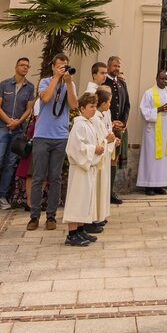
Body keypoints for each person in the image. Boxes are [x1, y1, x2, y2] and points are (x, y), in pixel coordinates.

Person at [28, 56, 76, 231]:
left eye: (65, 66)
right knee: (38, 177)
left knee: (55, 178)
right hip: (42, 135)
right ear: (53, 67)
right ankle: (34, 216)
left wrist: (69, 83)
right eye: (60, 66)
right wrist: (56, 78)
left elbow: (73, 104)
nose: (63, 69)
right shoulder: (45, 82)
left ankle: (51, 216)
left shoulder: (69, 83)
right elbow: (46, 99)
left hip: (60, 136)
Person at [62, 89, 115, 245]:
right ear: (82, 108)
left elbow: (96, 142)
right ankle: (72, 234)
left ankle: (80, 230)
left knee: (86, 200)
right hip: (80, 169)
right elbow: (75, 149)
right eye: (91, 106)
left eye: (95, 106)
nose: (94, 109)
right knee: (77, 199)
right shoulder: (79, 125)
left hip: (88, 168)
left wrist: (103, 144)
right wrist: (94, 149)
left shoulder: (89, 124)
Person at [0, 58, 35, 212]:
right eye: (22, 65)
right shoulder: (4, 84)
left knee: (10, 164)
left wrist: (17, 123)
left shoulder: (30, 87)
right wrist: (8, 121)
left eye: (27, 66)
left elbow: (28, 109)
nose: (25, 68)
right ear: (16, 67)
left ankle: (2, 197)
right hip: (3, 128)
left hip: (18, 130)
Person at [138, 70, 167, 194]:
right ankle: (149, 186)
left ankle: (160, 185)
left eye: (166, 79)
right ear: (156, 78)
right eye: (161, 78)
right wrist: (158, 110)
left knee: (164, 159)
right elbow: (143, 111)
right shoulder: (149, 93)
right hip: (153, 132)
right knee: (152, 158)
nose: (163, 81)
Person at [103, 55, 132, 203]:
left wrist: (123, 122)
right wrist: (111, 122)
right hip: (106, 128)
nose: (117, 69)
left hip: (119, 128)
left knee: (114, 160)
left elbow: (127, 104)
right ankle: (103, 192)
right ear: (108, 67)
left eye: (119, 66)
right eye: (115, 66)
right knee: (106, 160)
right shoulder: (103, 82)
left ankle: (111, 192)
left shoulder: (122, 83)